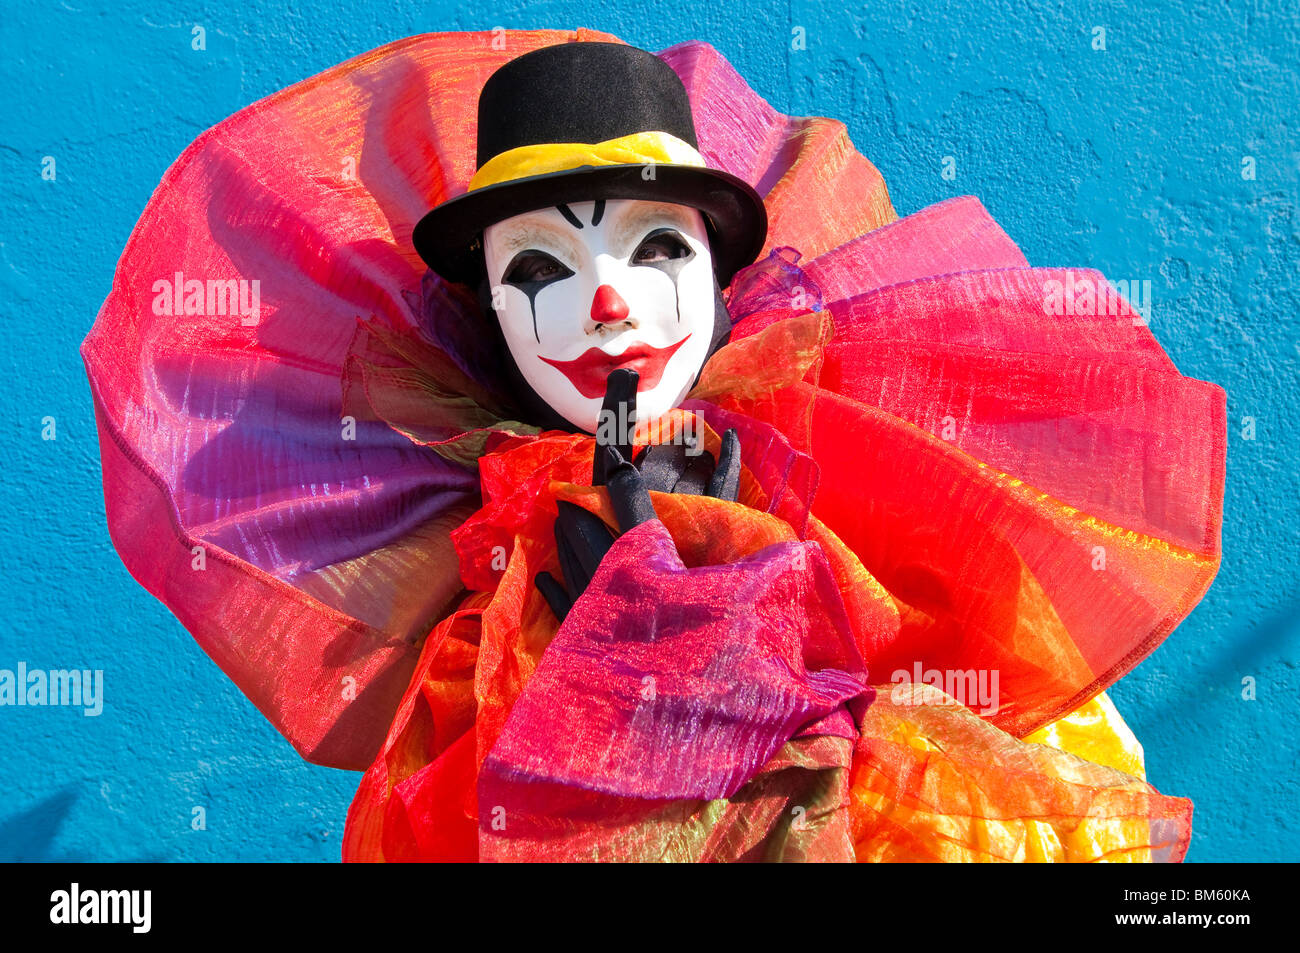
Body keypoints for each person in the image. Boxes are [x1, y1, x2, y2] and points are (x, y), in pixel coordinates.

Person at [83, 31, 1225, 862]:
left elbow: (1022, 772)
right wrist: (619, 639)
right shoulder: (495, 580)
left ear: (719, 277)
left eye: (655, 251)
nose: (609, 306)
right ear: (484, 309)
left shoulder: (858, 487)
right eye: (538, 269)